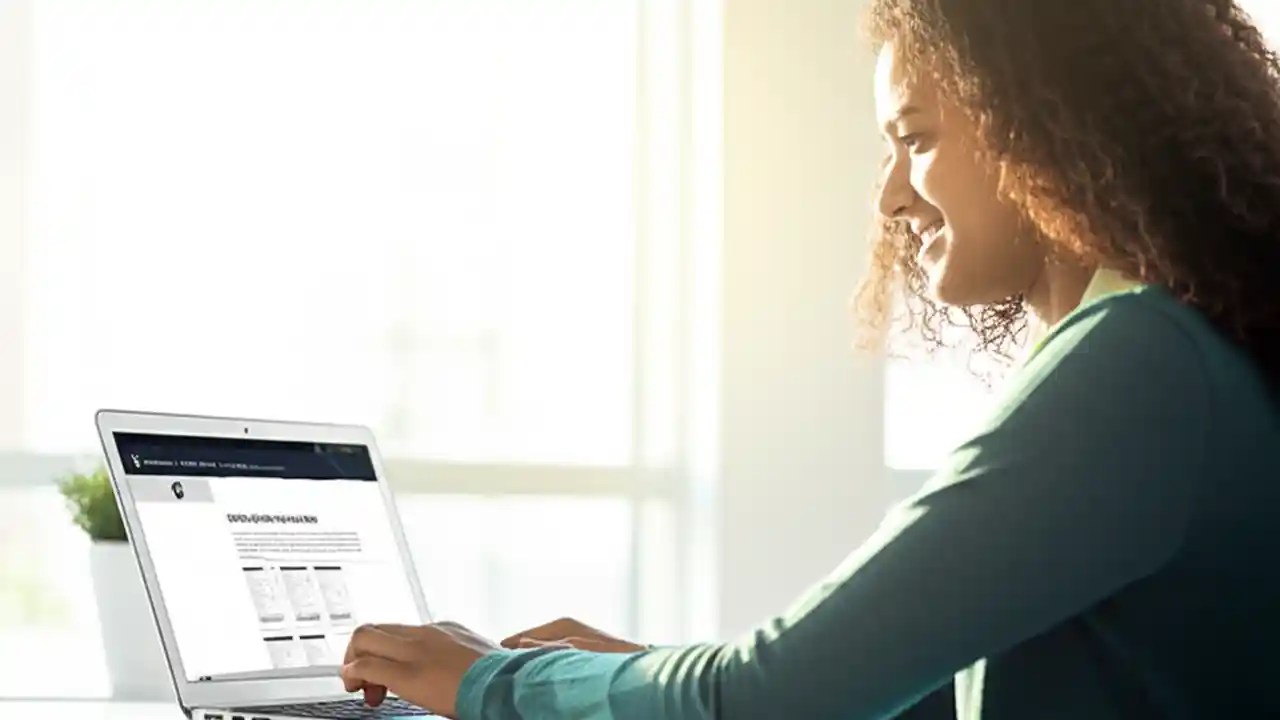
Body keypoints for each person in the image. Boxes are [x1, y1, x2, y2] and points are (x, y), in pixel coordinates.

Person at [339, 0, 1280, 717]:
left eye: (914, 139)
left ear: (1044, 124)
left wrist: (496, 684)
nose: (890, 202)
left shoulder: (1140, 367)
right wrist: (631, 675)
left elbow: (776, 700)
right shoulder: (1177, 355)